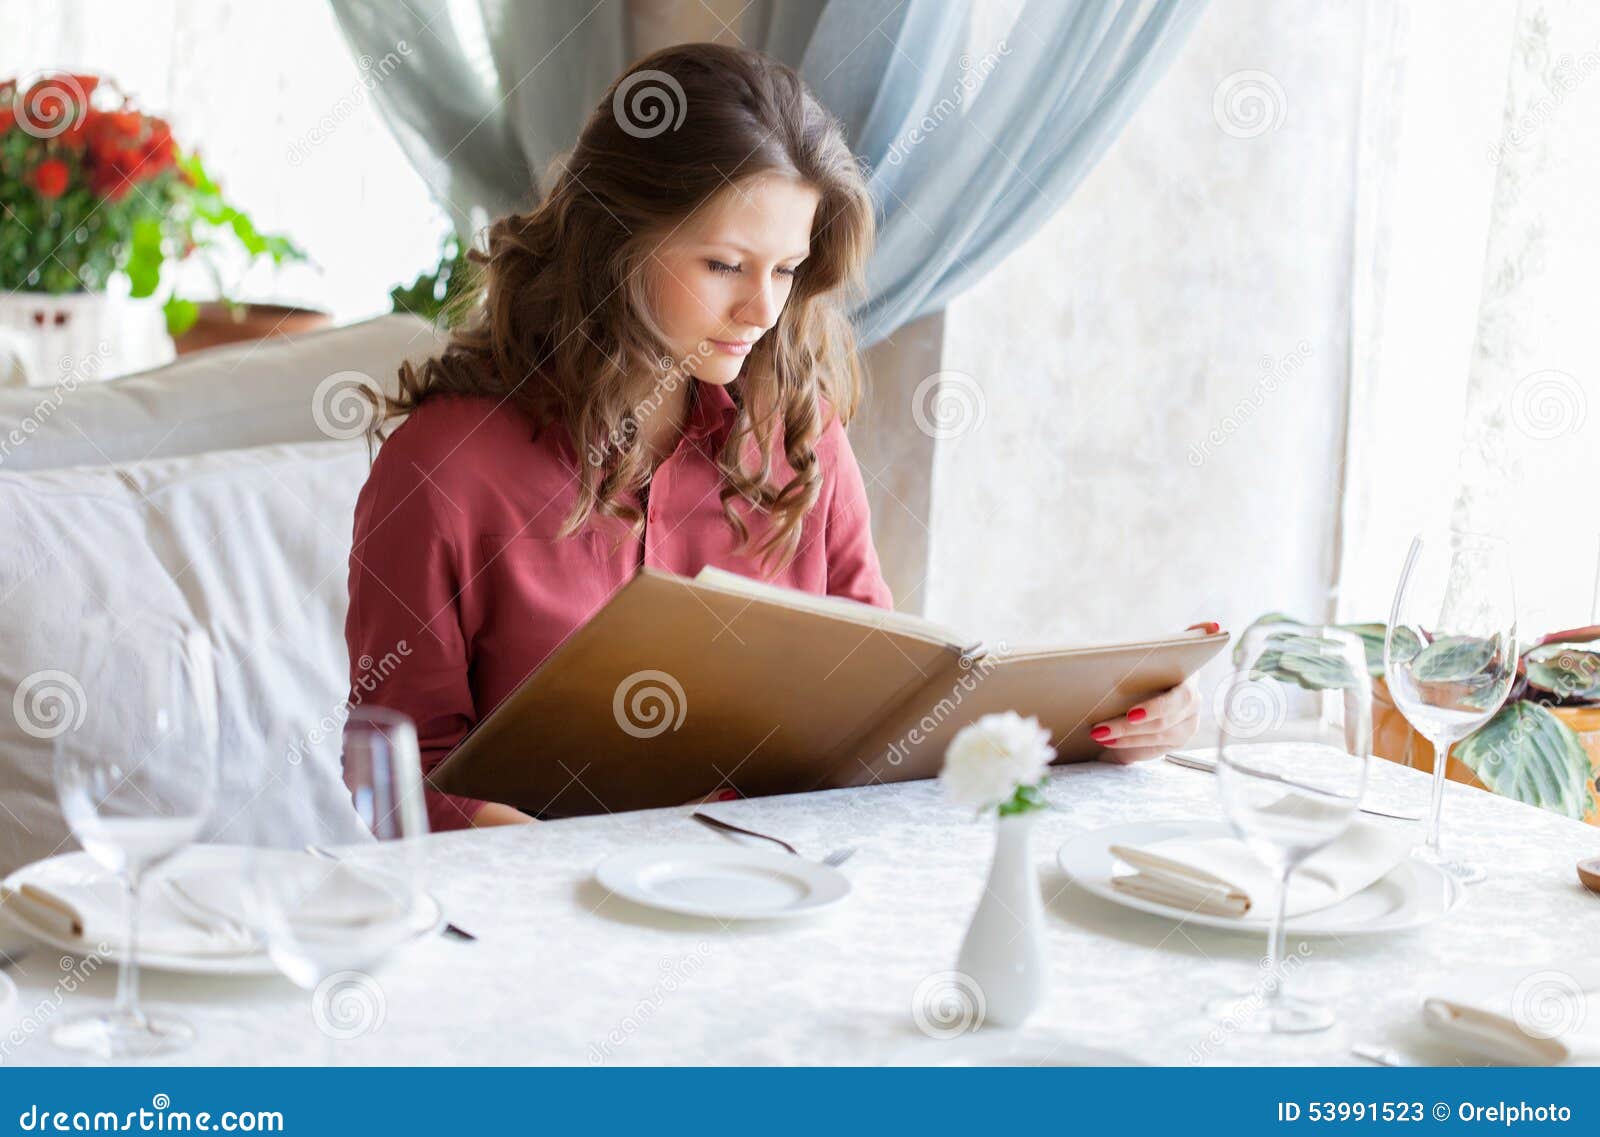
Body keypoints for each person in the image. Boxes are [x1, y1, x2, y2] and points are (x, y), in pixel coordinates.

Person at [343, 43, 1201, 831]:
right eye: (725, 264)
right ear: (613, 241)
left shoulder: (798, 431)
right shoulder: (444, 467)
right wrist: (567, 874)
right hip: (538, 912)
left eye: (786, 269)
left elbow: (884, 705)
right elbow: (400, 770)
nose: (763, 309)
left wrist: (1098, 724)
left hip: (780, 889)